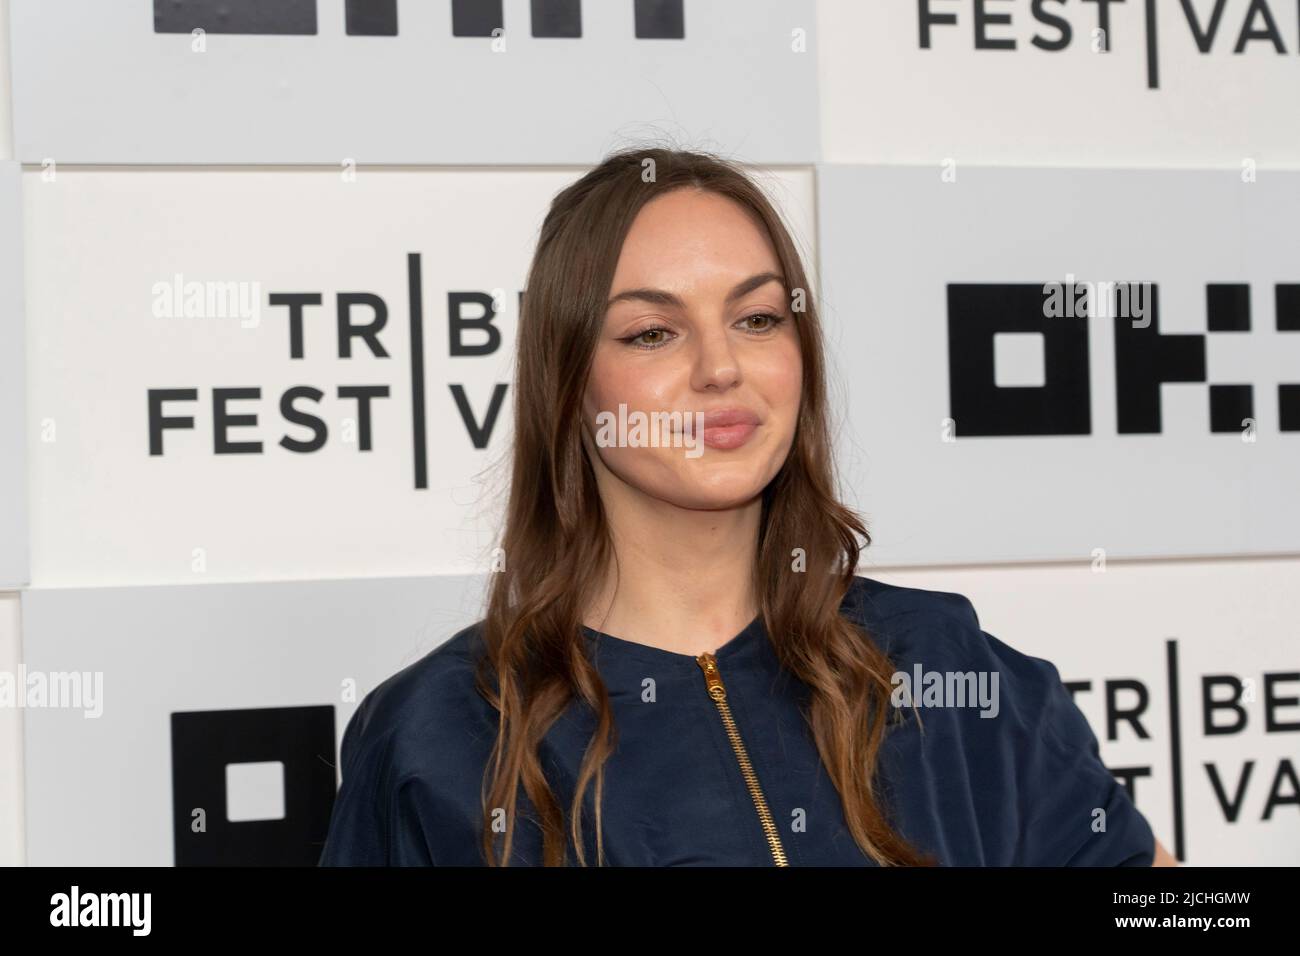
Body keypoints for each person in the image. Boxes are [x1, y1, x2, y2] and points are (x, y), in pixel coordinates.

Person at [318, 146, 1176, 867]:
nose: (720, 367)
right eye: (652, 332)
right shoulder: (440, 737)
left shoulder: (951, 672)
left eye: (759, 319)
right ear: (571, 384)